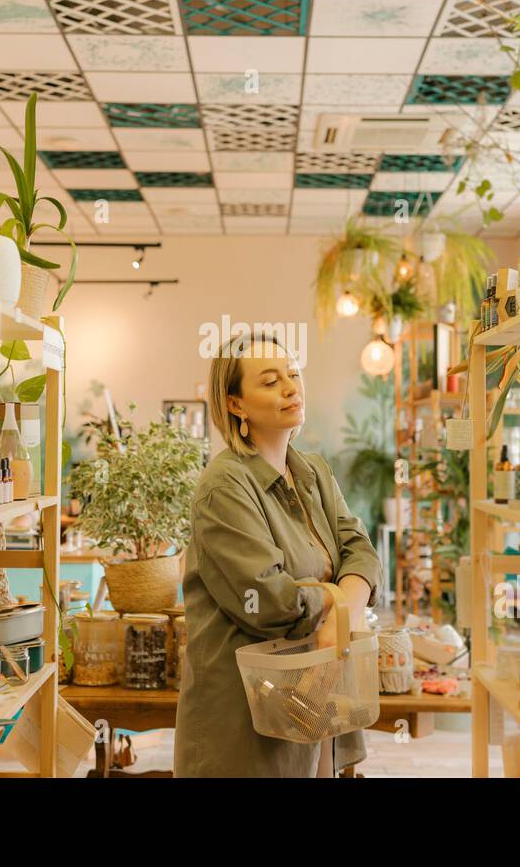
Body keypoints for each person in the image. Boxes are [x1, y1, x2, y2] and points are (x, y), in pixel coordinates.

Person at [174, 333, 383, 777]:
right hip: (243, 722)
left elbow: (361, 551)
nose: (291, 387)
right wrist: (334, 601)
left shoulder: (313, 472)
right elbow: (268, 600)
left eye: (292, 374)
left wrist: (343, 607)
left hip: (315, 703)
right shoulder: (224, 486)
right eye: (270, 381)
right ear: (236, 405)